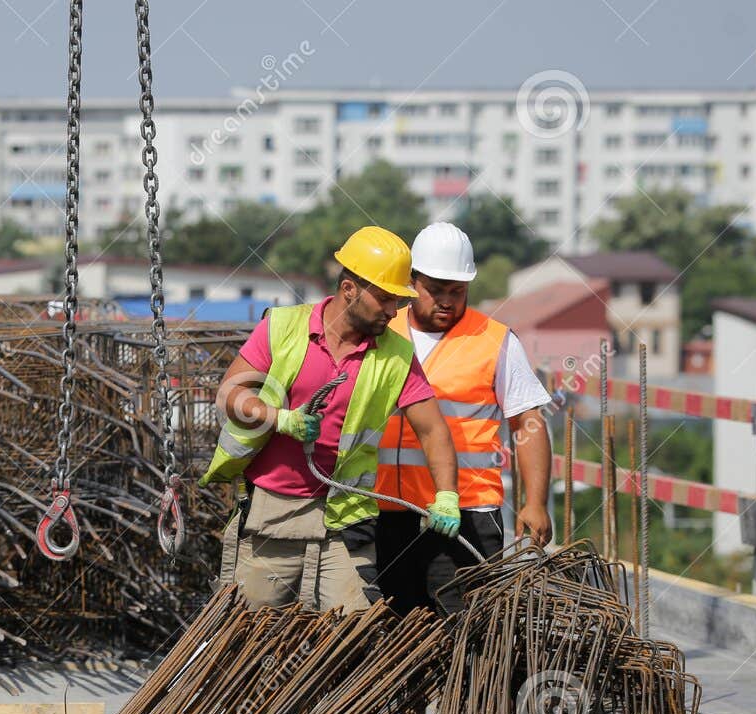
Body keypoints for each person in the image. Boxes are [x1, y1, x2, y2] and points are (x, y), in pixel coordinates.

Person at [201, 225, 462, 611]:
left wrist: (446, 495)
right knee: (254, 627)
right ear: (349, 289)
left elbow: (433, 430)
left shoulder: (396, 355)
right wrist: (279, 419)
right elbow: (229, 394)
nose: (394, 312)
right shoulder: (282, 327)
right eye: (386, 299)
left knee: (353, 628)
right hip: (274, 510)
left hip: (347, 517)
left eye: (397, 301)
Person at [376, 221, 555, 619]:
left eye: (456, 292)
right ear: (412, 282)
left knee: (464, 629)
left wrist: (536, 502)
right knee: (389, 628)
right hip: (387, 510)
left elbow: (527, 421)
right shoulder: (380, 333)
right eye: (435, 290)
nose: (446, 301)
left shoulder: (495, 340)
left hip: (468, 515)